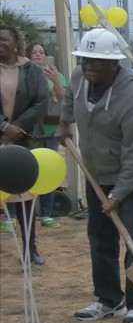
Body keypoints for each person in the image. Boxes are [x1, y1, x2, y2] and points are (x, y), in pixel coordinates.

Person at [56, 29, 133, 323]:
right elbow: (69, 99)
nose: (88, 66)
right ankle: (109, 300)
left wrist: (118, 195)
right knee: (100, 237)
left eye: (96, 62)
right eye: (85, 60)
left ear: (113, 64)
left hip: (132, 178)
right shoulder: (79, 78)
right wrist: (65, 123)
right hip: (95, 172)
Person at [0, 24, 49, 265]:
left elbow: (41, 101)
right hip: (2, 134)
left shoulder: (32, 70)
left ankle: (31, 249)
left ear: (16, 43)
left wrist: (17, 128)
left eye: (3, 39)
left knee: (24, 197)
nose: (0, 43)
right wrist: (3, 127)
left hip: (24, 139)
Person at [28, 43, 67, 228]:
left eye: (41, 52)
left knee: (48, 171)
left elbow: (63, 97)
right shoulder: (23, 73)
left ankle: (47, 214)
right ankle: (13, 215)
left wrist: (56, 80)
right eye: (34, 52)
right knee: (23, 171)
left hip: (50, 129)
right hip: (27, 131)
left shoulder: (55, 74)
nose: (38, 55)